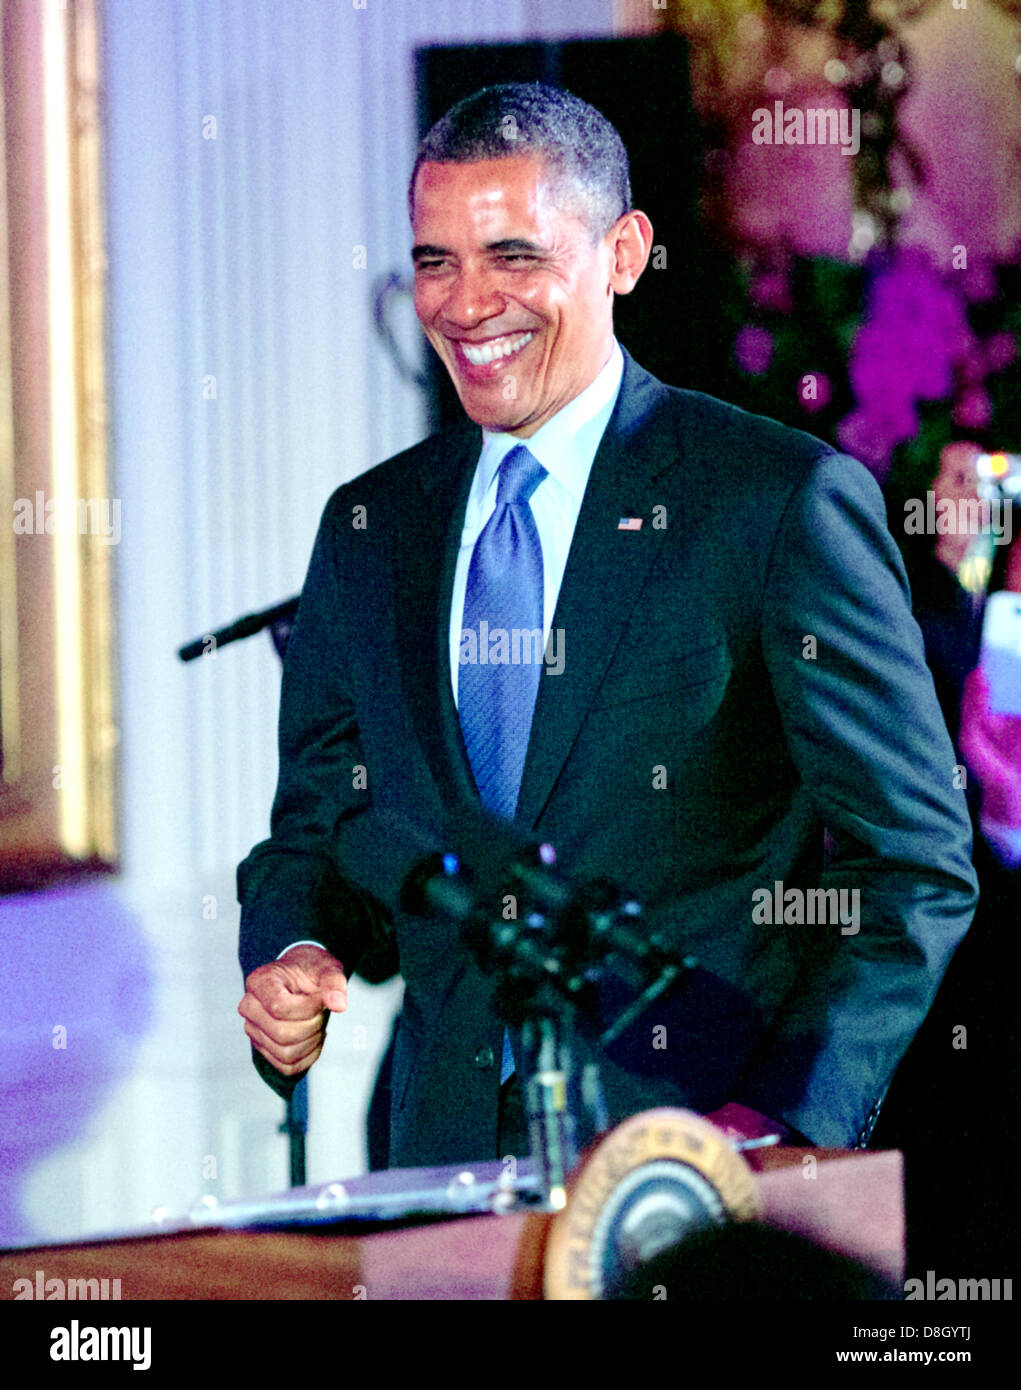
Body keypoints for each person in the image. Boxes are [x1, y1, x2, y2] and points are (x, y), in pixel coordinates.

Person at [236, 83, 977, 1170]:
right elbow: (322, 822)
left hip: (697, 1177)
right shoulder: (368, 527)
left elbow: (913, 860)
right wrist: (291, 949)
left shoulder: (772, 503)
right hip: (435, 1177)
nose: (464, 302)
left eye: (513, 257)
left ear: (624, 252)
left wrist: (776, 1125)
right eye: (435, 260)